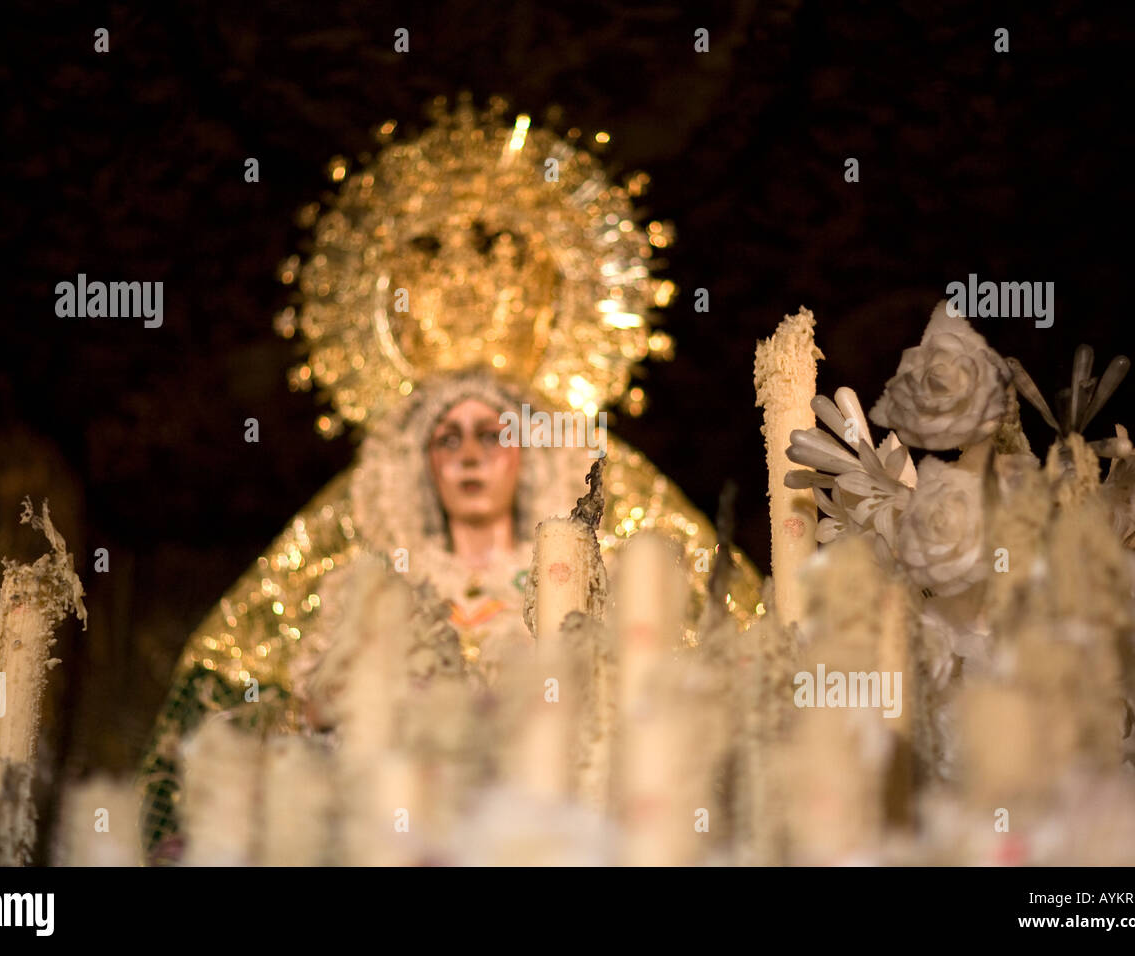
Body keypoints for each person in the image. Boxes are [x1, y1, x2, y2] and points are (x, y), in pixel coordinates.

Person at [137, 95, 764, 861]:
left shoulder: (606, 566)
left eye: (494, 435)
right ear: (417, 461)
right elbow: (227, 700)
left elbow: (741, 665)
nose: (470, 455)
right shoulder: (352, 582)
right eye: (448, 438)